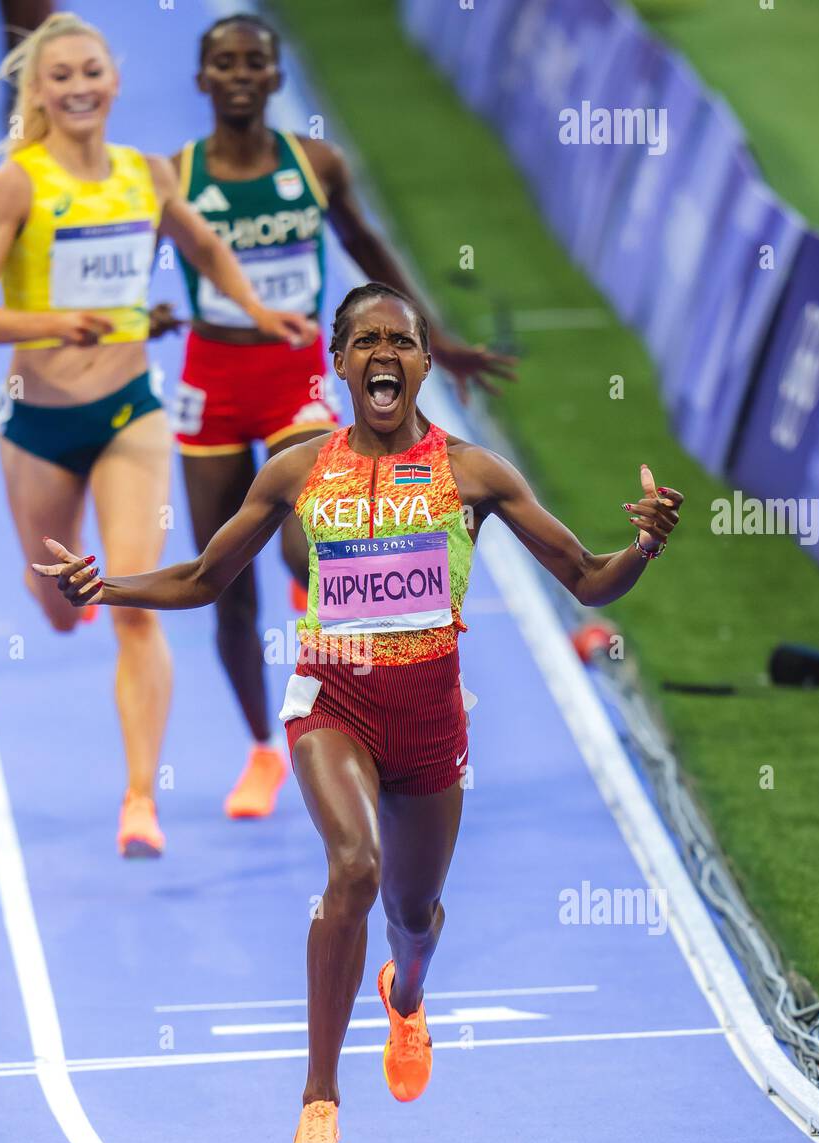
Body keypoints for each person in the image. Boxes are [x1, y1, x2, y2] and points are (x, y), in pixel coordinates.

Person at [34, 282, 682, 1143]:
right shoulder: (296, 470)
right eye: (365, 340)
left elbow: (583, 578)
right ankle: (318, 1107)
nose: (384, 353)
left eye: (402, 341)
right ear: (340, 363)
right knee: (354, 870)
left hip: (429, 726)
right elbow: (205, 578)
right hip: (331, 705)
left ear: (420, 362)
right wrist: (107, 589)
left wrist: (642, 549)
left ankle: (405, 994)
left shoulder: (475, 473)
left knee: (411, 917)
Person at [0, 12, 314, 858]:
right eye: (60, 77)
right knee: (61, 608)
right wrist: (51, 323)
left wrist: (256, 310)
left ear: (114, 82)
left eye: (91, 73)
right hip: (38, 426)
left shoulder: (147, 175)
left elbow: (207, 246)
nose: (77, 88)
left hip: (129, 418)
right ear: (36, 92)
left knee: (128, 603)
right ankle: (58, 603)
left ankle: (139, 798)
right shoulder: (18, 184)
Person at [153, 13, 517, 821]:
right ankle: (259, 749)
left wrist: (439, 342)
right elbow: (130, 265)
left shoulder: (315, 164)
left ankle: (357, 683)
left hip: (294, 382)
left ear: (276, 77)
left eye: (255, 62)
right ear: (202, 80)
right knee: (224, 583)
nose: (241, 74)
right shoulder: (173, 176)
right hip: (211, 380)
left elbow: (369, 250)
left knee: (309, 538)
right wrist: (134, 318)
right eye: (225, 63)